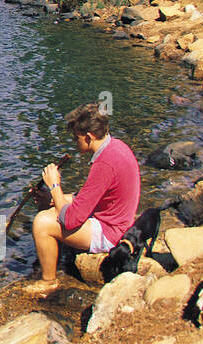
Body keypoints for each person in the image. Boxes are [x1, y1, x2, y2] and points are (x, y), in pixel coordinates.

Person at [24, 102, 141, 295]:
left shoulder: (104, 164)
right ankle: (54, 258)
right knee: (55, 207)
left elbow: (71, 220)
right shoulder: (116, 146)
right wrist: (54, 199)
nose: (74, 142)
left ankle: (48, 281)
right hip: (119, 219)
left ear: (88, 137)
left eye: (76, 137)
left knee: (42, 223)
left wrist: (55, 186)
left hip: (112, 232)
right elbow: (87, 197)